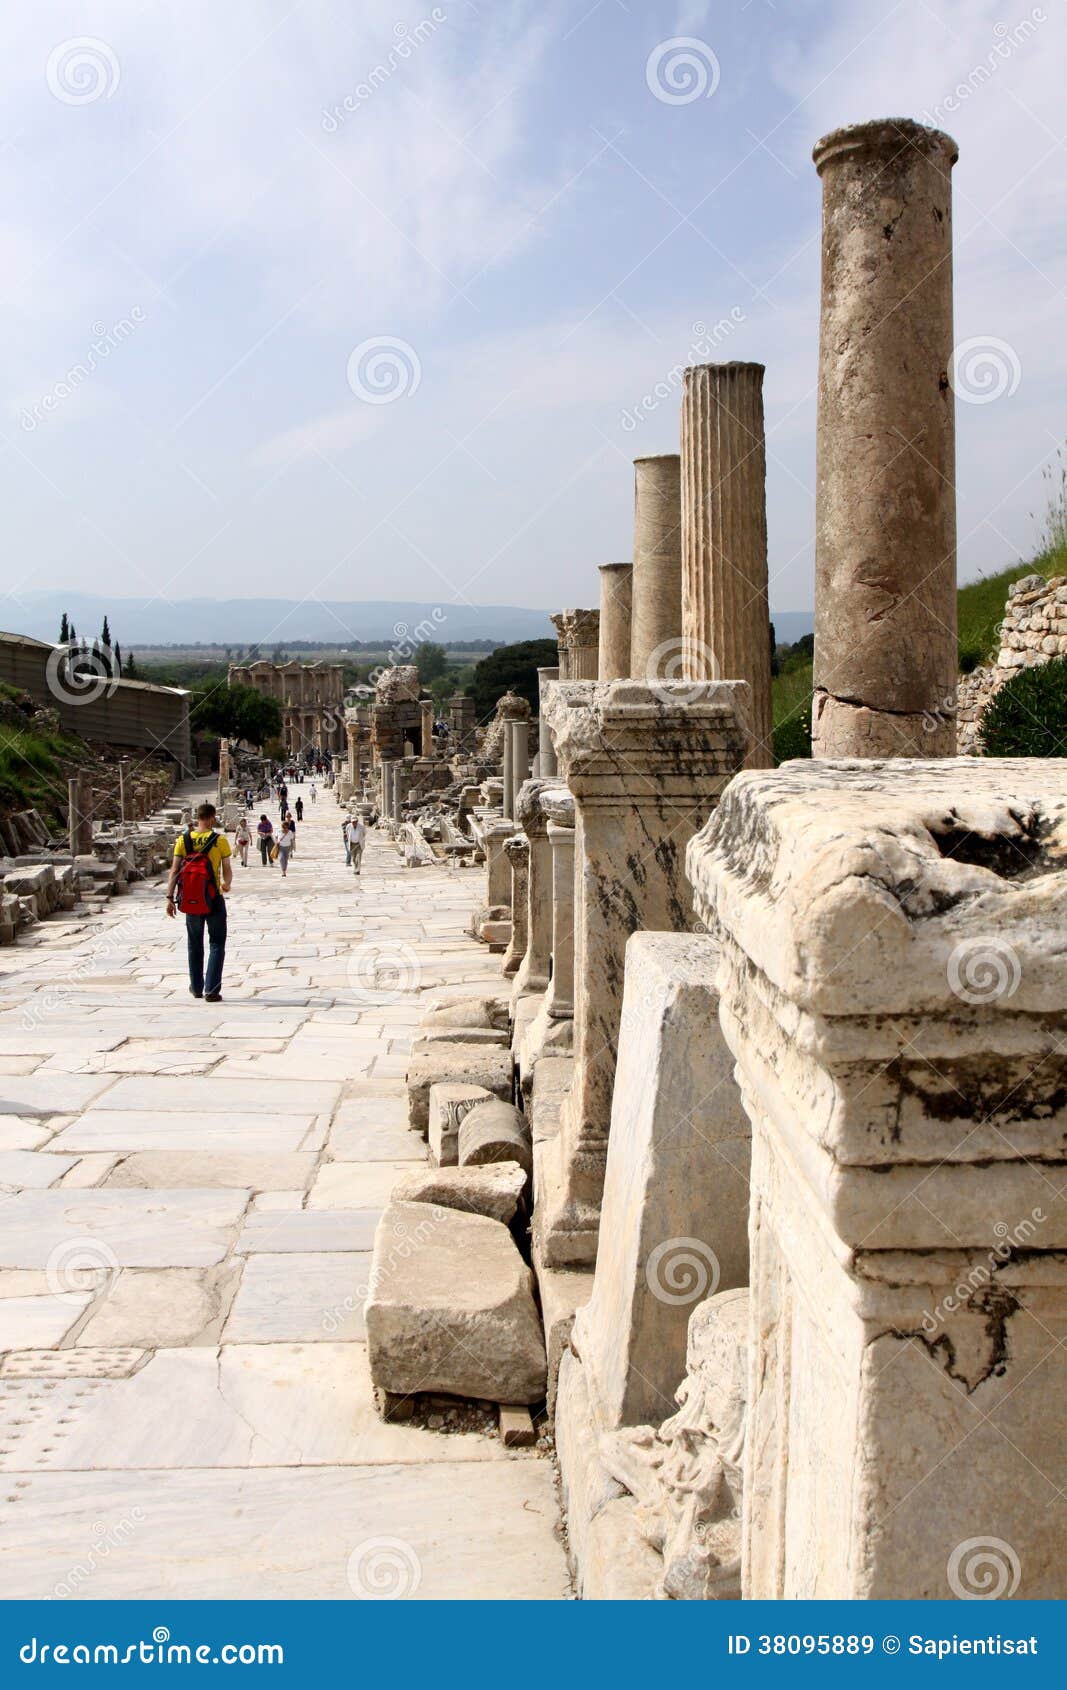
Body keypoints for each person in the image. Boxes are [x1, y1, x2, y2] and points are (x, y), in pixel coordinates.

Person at [166, 800, 232, 1002]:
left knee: (194, 943)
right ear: (212, 817)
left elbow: (175, 871)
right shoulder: (219, 840)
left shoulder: (182, 840)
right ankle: (211, 990)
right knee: (217, 943)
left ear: (197, 818)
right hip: (213, 897)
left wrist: (170, 898)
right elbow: (227, 869)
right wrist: (226, 883)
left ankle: (196, 987)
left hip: (191, 898)